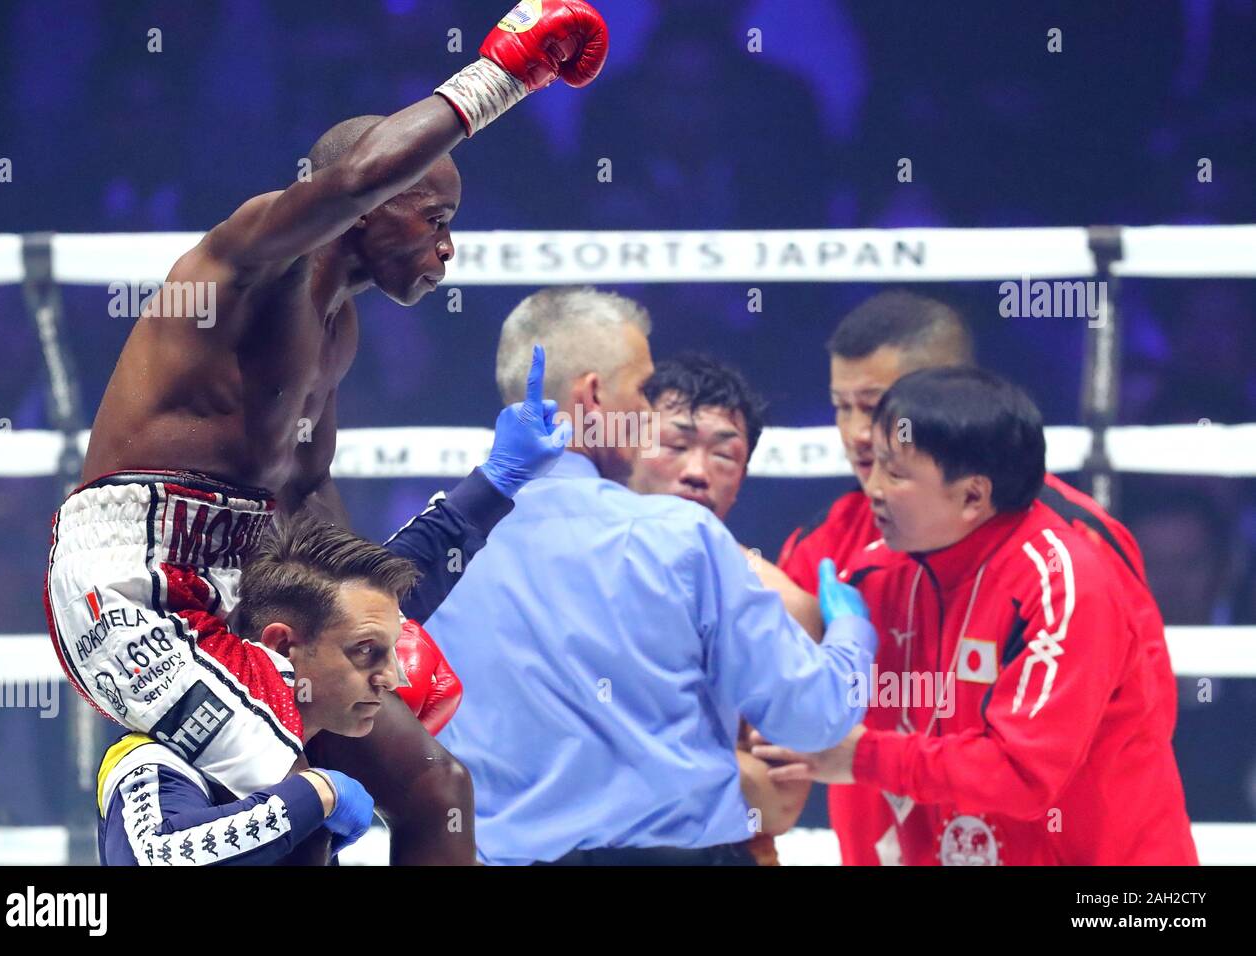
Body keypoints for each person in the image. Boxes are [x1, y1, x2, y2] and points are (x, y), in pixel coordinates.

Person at [50, 0, 607, 864]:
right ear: (374, 204)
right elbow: (345, 183)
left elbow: (308, 512)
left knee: (435, 788)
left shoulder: (337, 329)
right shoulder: (246, 262)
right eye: (436, 219)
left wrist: (374, 621)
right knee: (296, 797)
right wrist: (506, 76)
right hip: (129, 588)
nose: (447, 250)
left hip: (241, 579)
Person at [425, 287, 875, 866]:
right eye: (642, 391)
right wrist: (853, 634)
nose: (647, 415)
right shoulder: (683, 538)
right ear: (593, 395)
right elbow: (814, 718)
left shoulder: (432, 544)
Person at [776, 289, 1177, 864]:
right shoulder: (845, 546)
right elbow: (767, 684)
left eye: (877, 405)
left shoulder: (1069, 560)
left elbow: (1110, 734)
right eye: (843, 406)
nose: (858, 433)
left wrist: (864, 757)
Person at [97, 517, 415, 865]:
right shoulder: (159, 753)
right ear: (281, 647)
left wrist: (483, 494)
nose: (390, 677)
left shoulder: (320, 753)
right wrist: (317, 794)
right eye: (367, 650)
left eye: (392, 650)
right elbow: (156, 859)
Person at [628, 352, 816, 865]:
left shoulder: (779, 605)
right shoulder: (559, 575)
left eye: (723, 456)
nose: (696, 472)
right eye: (675, 444)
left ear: (744, 474)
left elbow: (775, 803)